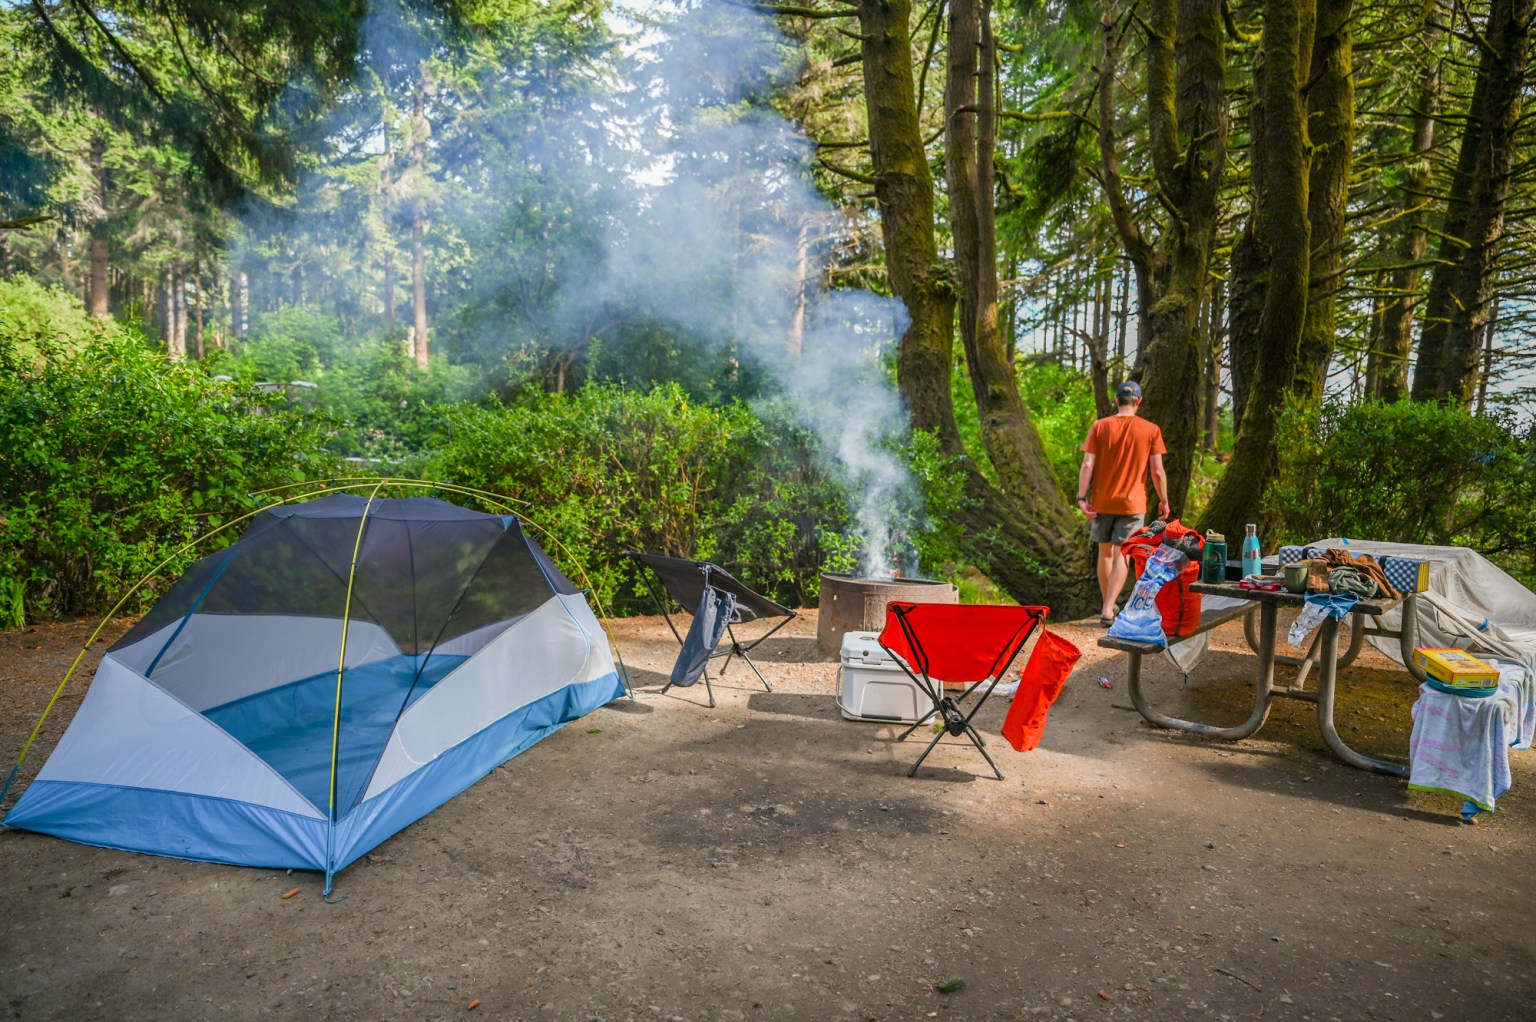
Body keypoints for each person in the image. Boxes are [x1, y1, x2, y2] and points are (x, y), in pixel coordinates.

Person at [1076, 380, 1170, 626]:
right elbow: (1157, 472)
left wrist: (1082, 498)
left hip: (1101, 502)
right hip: (1132, 505)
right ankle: (1109, 607)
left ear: (1117, 400)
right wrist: (1164, 500)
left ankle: (1108, 604)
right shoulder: (1150, 429)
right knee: (1122, 555)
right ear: (1138, 402)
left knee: (1104, 554)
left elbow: (1087, 464)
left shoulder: (1100, 426)